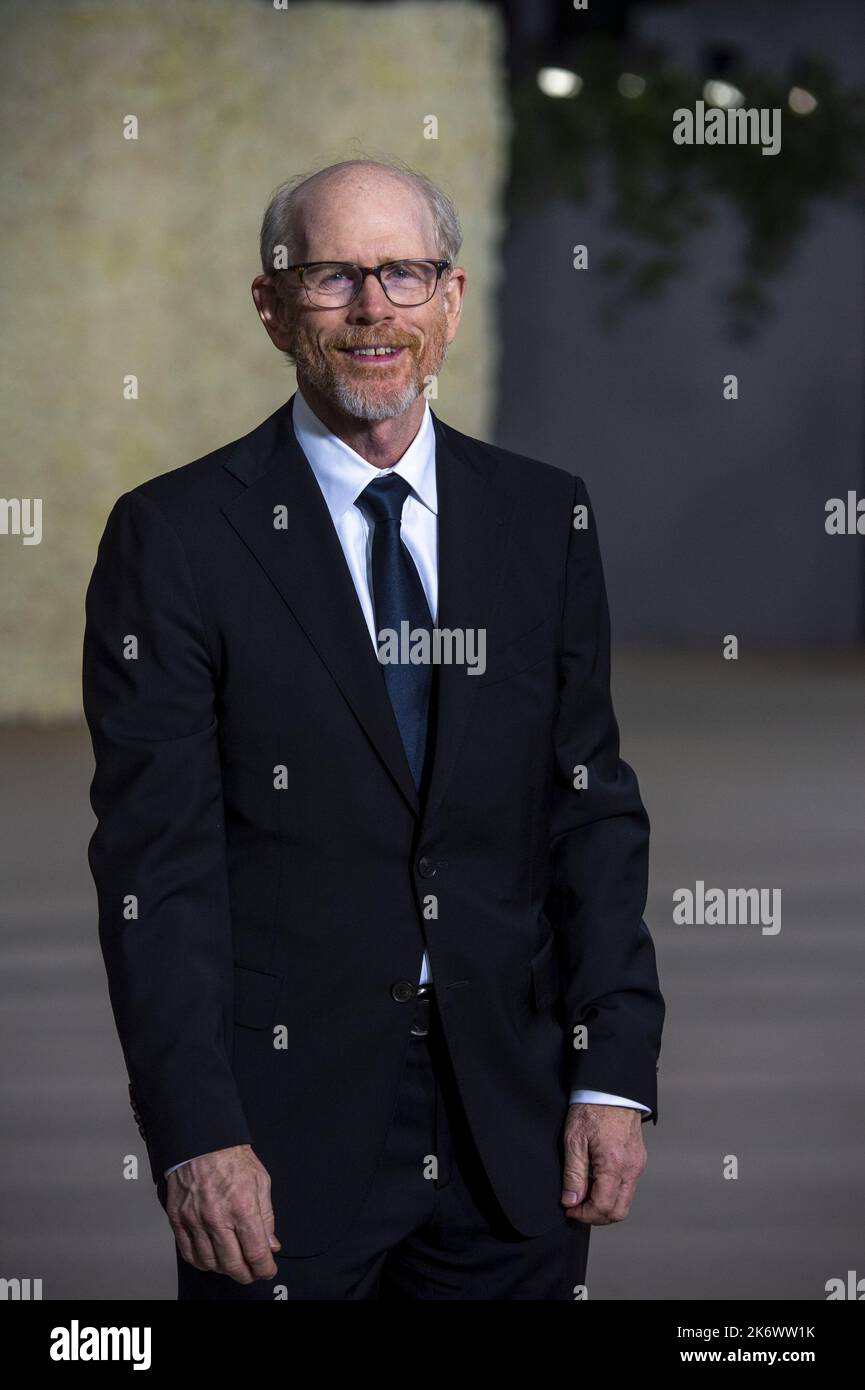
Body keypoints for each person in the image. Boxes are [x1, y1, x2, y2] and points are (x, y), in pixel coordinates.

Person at [82, 157, 664, 1300]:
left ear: (450, 300)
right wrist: (197, 1132)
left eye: (403, 273)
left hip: (513, 1127)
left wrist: (612, 1074)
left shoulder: (544, 516)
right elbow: (159, 865)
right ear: (271, 305)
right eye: (333, 275)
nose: (371, 310)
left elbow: (589, 809)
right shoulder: (178, 538)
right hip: (280, 1138)